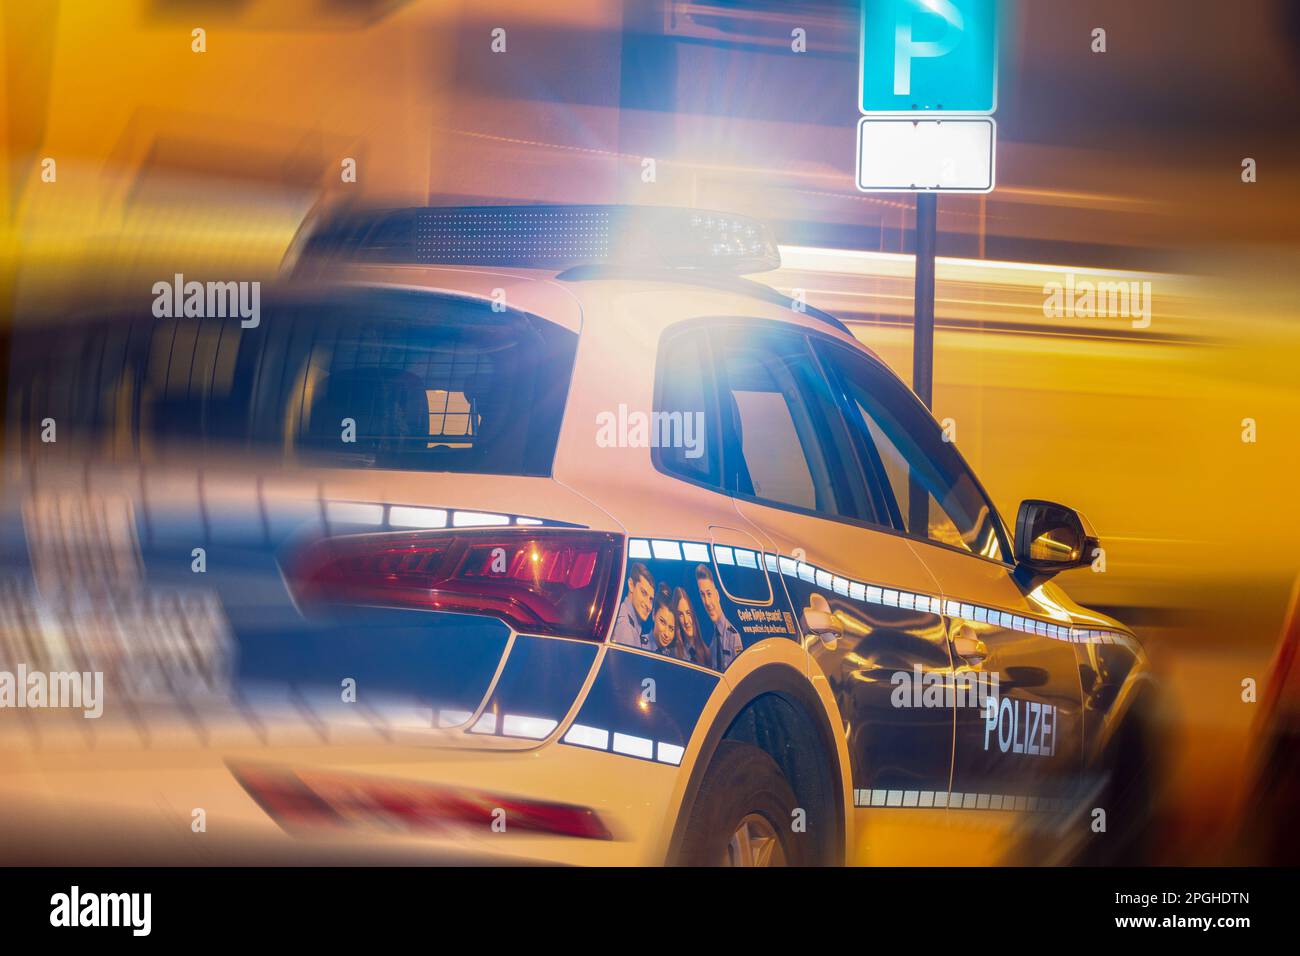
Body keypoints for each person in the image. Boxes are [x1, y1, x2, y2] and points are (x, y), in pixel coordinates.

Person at [695, 564, 742, 670]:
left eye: (709, 594)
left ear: (717, 595)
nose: (707, 602)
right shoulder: (712, 638)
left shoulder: (733, 637)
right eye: (702, 595)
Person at [612, 563, 655, 649]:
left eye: (650, 599)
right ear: (631, 585)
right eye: (643, 593)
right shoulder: (625, 627)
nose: (648, 605)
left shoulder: (632, 622)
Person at [672, 586, 712, 667]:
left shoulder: (706, 652)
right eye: (681, 615)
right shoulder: (673, 652)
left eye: (688, 613)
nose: (686, 621)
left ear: (693, 614)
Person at [650, 585, 686, 660]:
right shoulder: (638, 644)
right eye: (662, 622)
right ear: (653, 615)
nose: (666, 634)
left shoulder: (672, 657)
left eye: (671, 629)